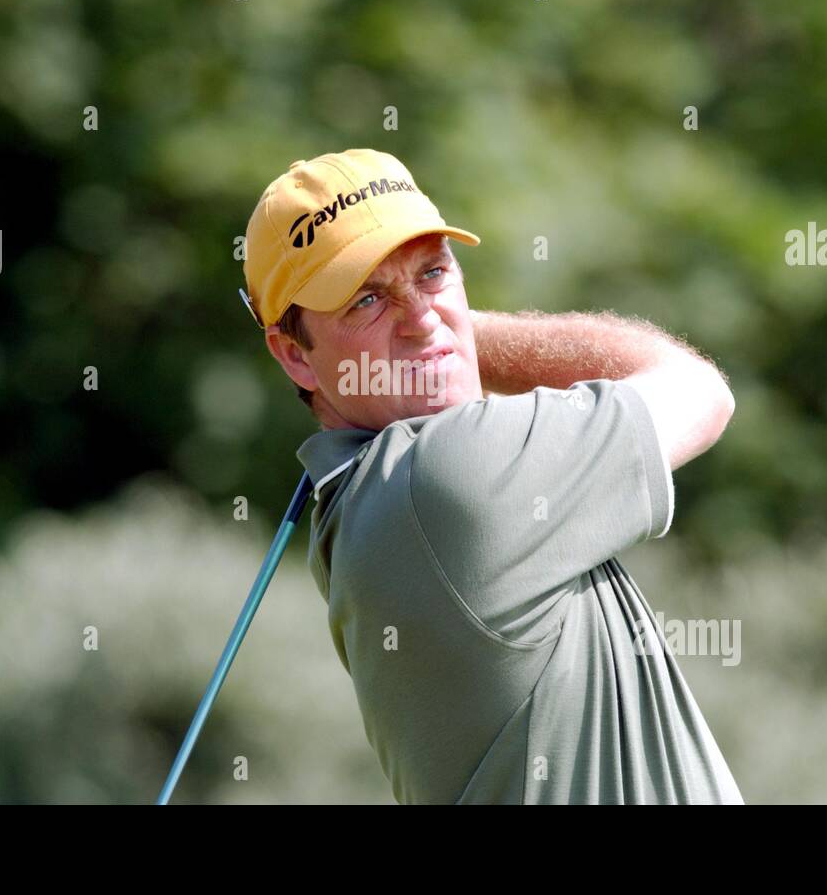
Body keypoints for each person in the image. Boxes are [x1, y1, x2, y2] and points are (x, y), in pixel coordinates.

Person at [241, 148, 743, 804]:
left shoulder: (363, 503)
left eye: (433, 271)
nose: (420, 314)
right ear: (294, 356)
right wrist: (459, 336)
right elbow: (699, 390)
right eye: (366, 298)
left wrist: (423, 338)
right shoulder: (446, 475)